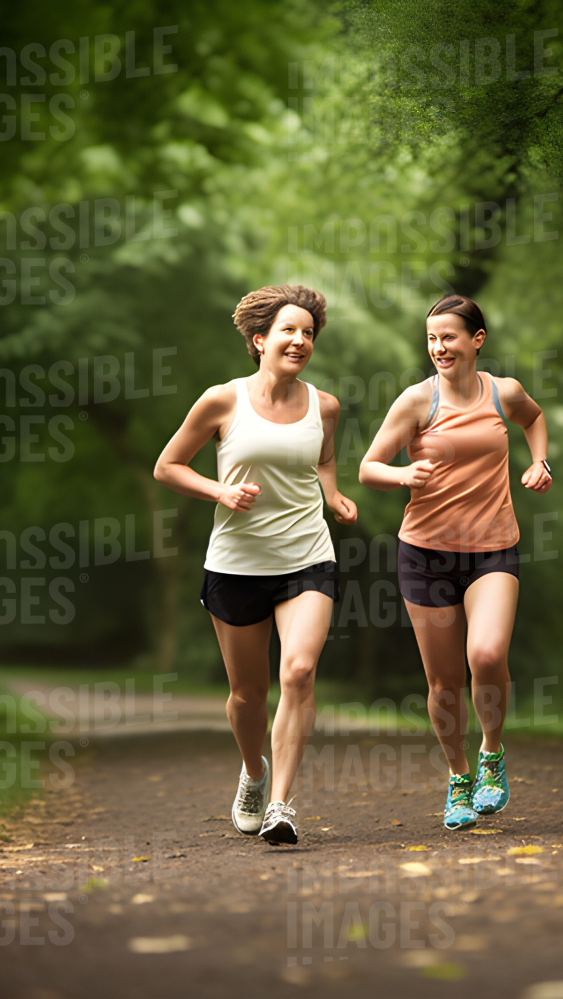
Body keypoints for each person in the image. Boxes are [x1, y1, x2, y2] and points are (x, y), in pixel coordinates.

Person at [153, 284, 356, 845]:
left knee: (298, 672)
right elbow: (167, 467)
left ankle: (283, 806)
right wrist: (220, 492)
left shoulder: (325, 406)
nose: (300, 340)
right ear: (259, 340)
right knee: (248, 695)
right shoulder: (222, 401)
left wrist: (333, 494)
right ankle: (253, 773)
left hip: (307, 557)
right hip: (237, 564)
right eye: (288, 331)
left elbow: (324, 457)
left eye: (308, 333)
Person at [358, 294, 551, 830]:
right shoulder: (416, 403)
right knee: (444, 682)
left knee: (486, 655)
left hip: (492, 548)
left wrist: (539, 461)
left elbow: (535, 419)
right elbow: (368, 467)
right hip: (425, 554)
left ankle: (491, 755)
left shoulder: (503, 393)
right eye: (431, 339)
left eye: (449, 337)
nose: (439, 347)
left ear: (476, 340)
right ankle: (459, 777)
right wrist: (401, 475)